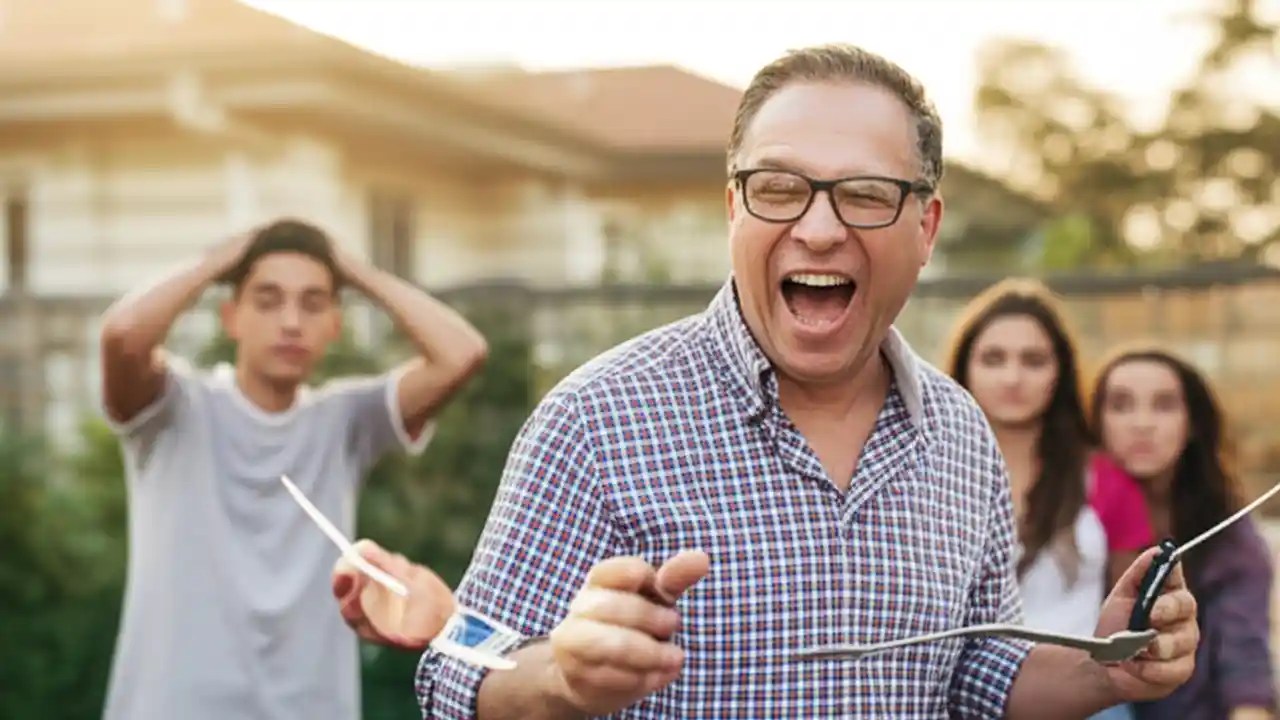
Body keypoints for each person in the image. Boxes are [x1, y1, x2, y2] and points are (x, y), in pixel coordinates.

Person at [345, 44, 1199, 718]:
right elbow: (459, 667)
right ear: (734, 209)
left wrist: (1105, 671)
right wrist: (561, 678)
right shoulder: (598, 417)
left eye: (866, 194)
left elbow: (975, 672)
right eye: (779, 188)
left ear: (927, 226)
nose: (818, 229)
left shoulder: (959, 432)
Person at [97, 219, 487, 720]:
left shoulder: (344, 420)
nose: (290, 321)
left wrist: (351, 267)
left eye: (313, 303)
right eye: (267, 300)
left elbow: (462, 354)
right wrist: (223, 258)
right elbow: (123, 335)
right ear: (231, 317)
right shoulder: (173, 408)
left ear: (334, 325)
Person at [943, 278, 1151, 720]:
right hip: (961, 698)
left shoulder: (1106, 481)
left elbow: (1134, 613)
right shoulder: (928, 473)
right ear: (963, 367)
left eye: (1033, 360)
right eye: (993, 359)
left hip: (1085, 699)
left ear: (1060, 371)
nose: (1013, 377)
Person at [1091, 346, 1276, 720]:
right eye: (1121, 405)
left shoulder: (1229, 535)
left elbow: (1245, 663)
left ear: (1192, 423)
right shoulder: (1074, 523)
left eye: (1163, 405)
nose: (1142, 423)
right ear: (1095, 423)